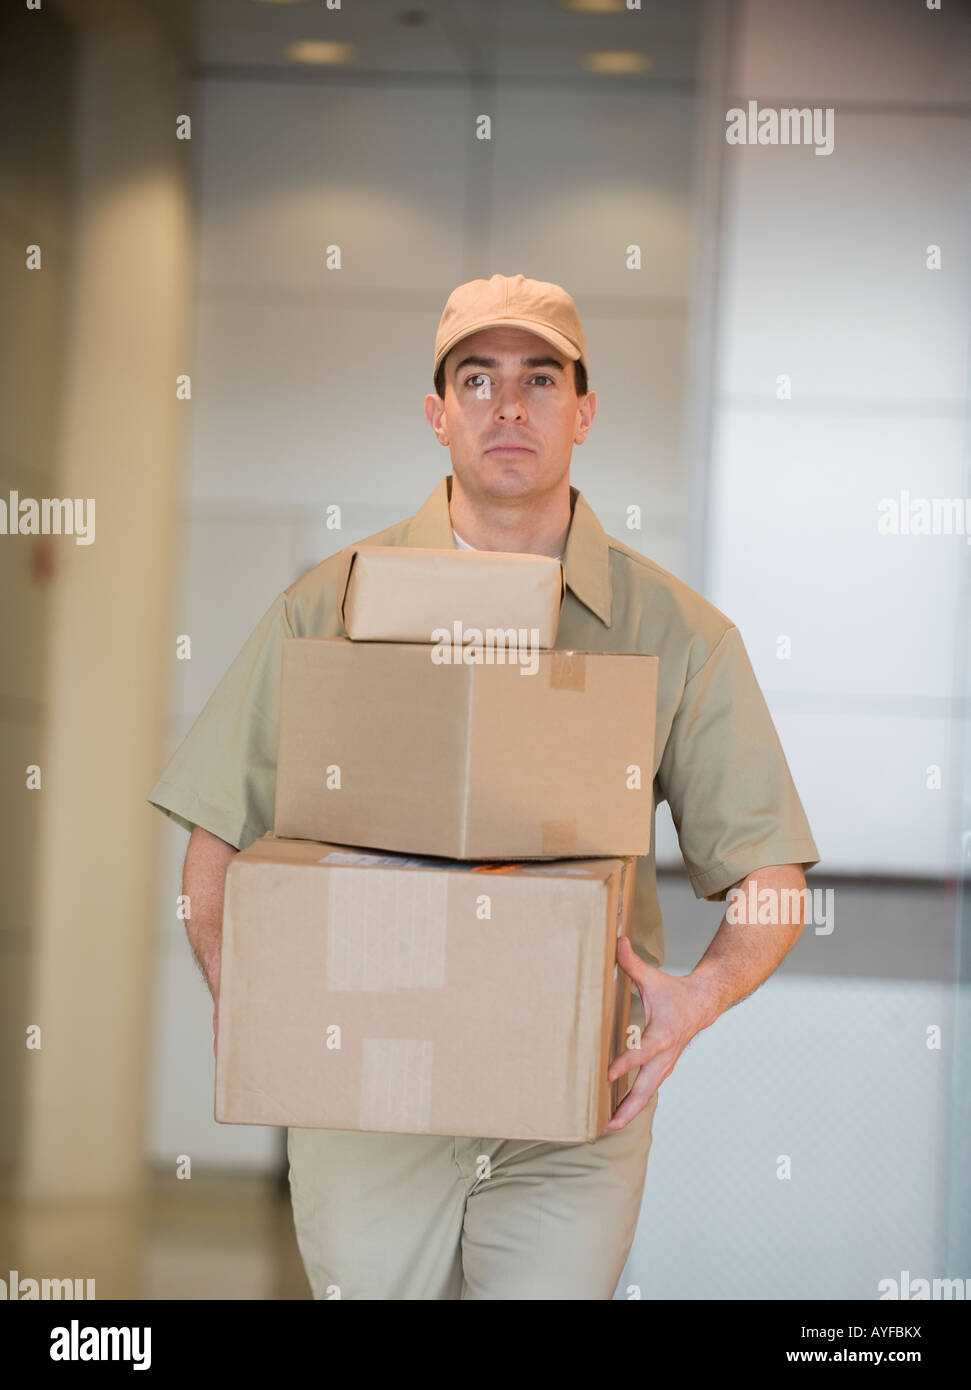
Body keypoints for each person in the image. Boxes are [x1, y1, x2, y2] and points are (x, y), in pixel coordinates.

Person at [147, 272, 820, 1300]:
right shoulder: (329, 605)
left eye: (539, 378)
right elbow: (213, 838)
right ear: (436, 413)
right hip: (366, 1097)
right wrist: (255, 1000)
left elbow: (769, 877)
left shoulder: (678, 634)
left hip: (569, 1105)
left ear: (583, 410)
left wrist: (697, 997)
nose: (508, 405)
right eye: (476, 378)